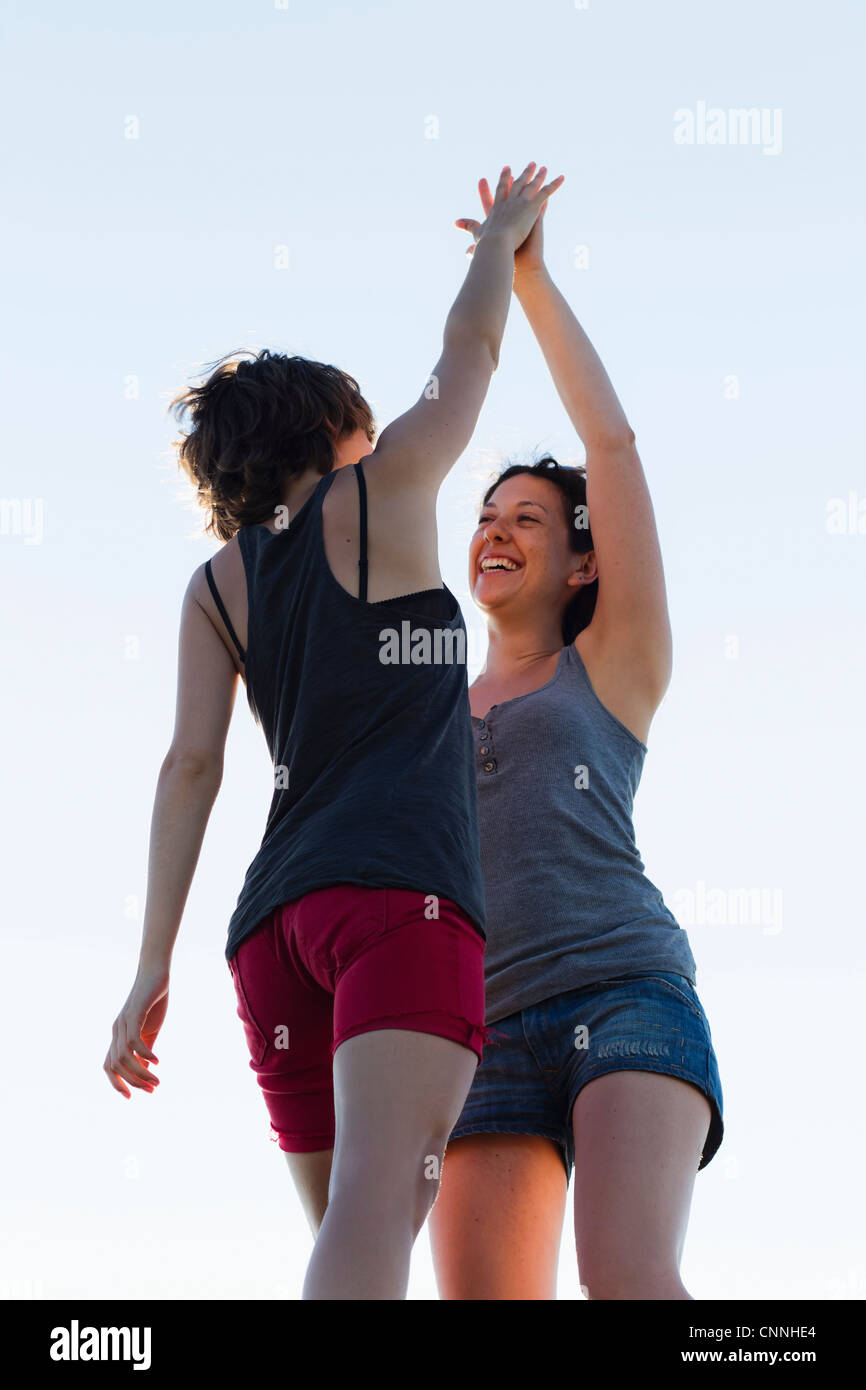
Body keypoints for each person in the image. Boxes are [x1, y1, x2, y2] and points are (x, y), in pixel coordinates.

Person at [103, 162, 564, 1300]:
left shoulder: (216, 586)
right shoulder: (384, 490)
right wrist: (500, 237)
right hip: (396, 903)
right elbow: (468, 356)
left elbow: (189, 765)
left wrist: (149, 965)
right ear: (338, 429)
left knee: (352, 1250)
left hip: (270, 933)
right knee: (370, 1229)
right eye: (361, 426)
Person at [428, 174, 724, 1300]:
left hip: (624, 993)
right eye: (485, 517)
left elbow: (609, 441)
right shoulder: (424, 709)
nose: (496, 532)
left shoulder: (613, 666)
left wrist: (531, 280)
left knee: (628, 1281)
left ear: (580, 561)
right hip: (482, 1032)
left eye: (527, 519)